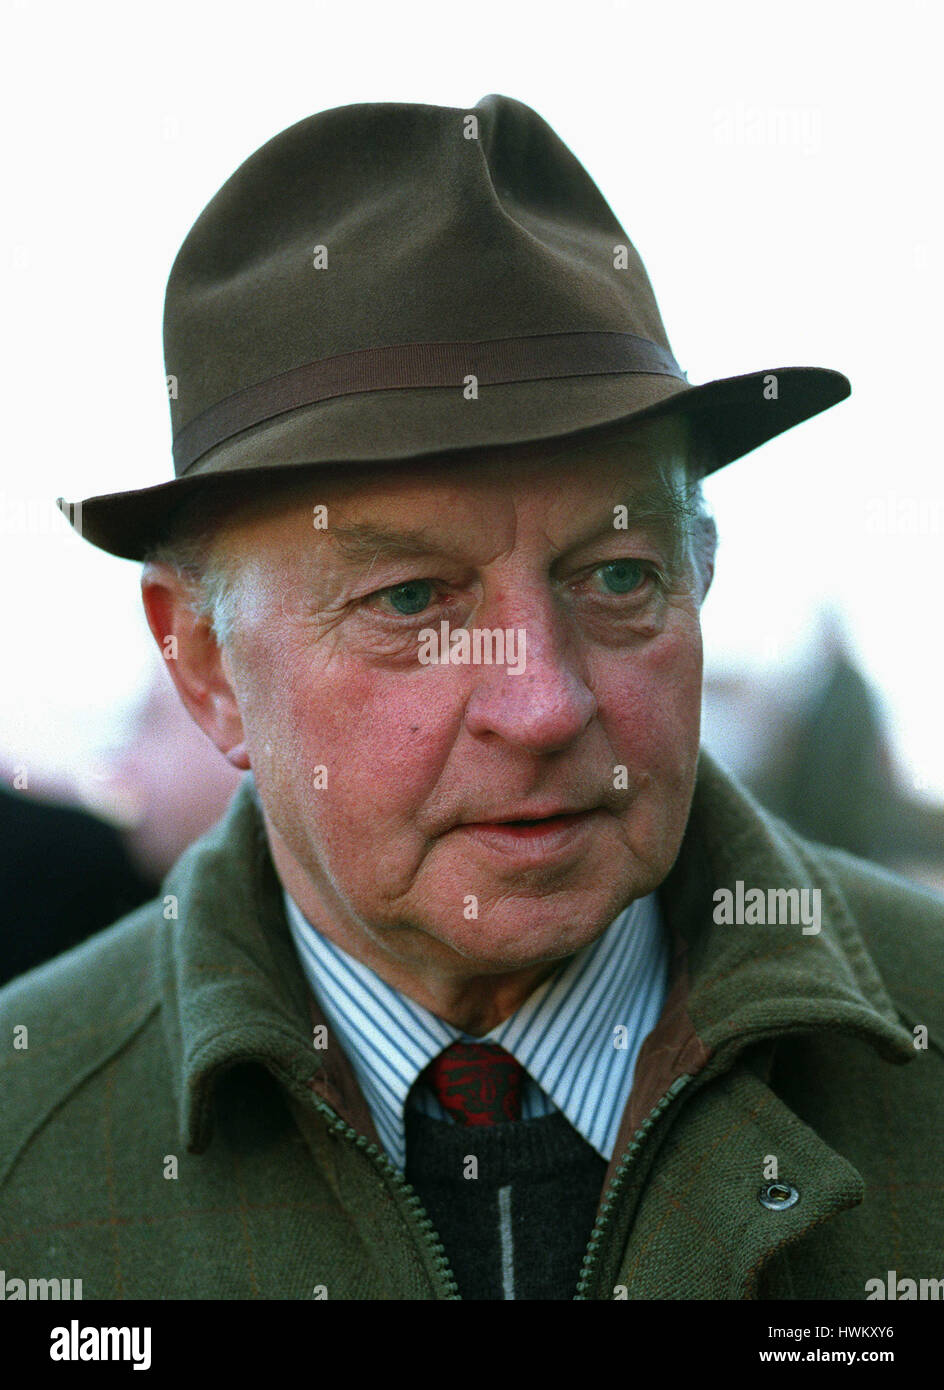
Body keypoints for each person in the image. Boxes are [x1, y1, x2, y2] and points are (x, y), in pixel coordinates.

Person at [2, 95, 941, 1301]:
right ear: (204, 666)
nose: (543, 705)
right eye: (409, 601)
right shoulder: (30, 1157)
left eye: (616, 576)